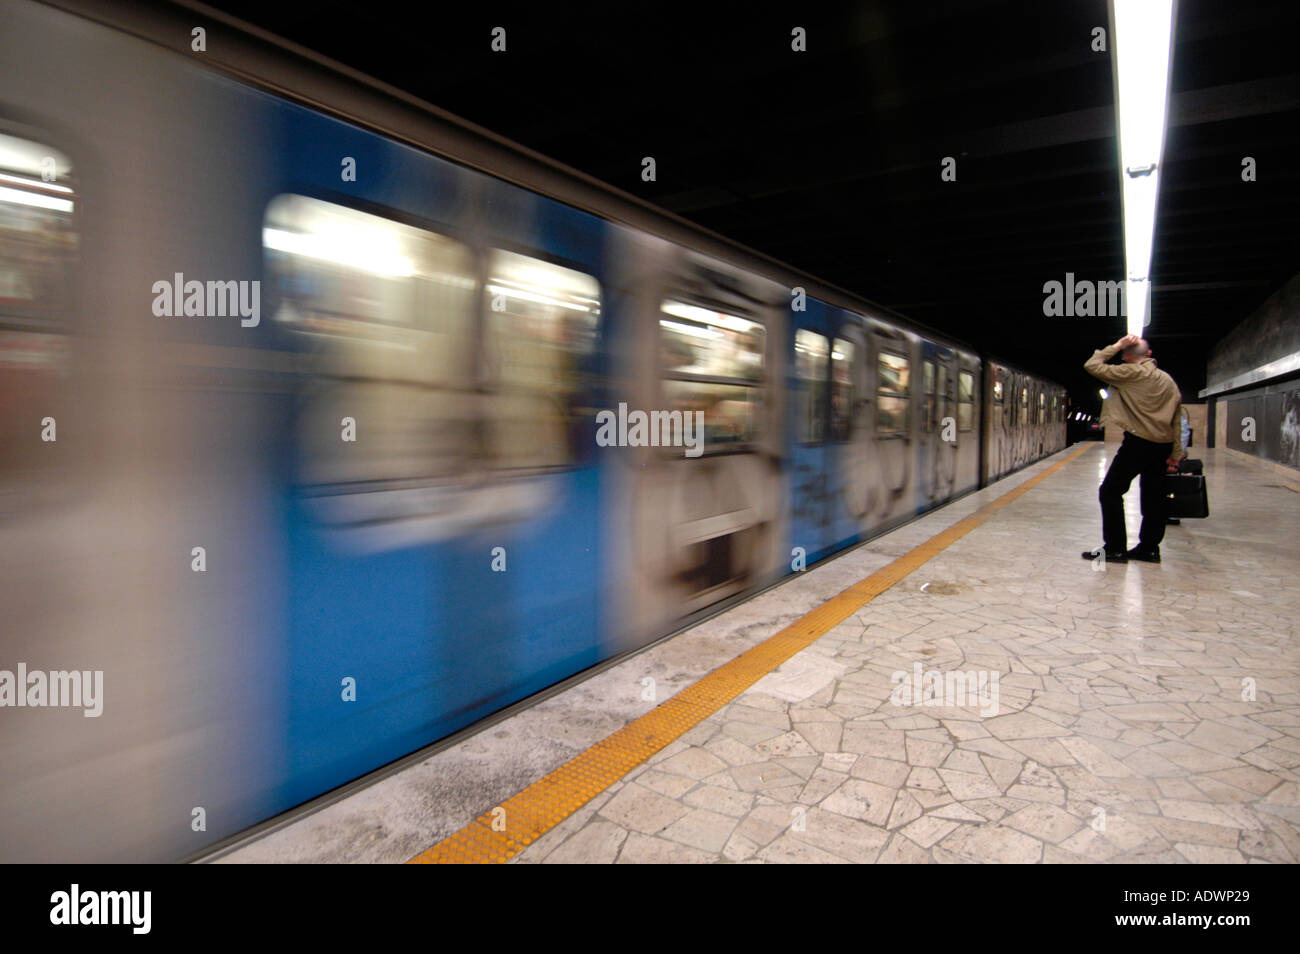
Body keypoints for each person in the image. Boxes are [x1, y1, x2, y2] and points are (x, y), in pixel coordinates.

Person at [1081, 334, 1183, 563]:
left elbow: (1092, 365)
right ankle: (1149, 549)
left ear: (1127, 356)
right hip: (1163, 445)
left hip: (1139, 443)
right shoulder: (1168, 380)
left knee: (1110, 491)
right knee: (1154, 497)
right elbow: (1177, 419)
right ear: (1149, 355)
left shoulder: (1130, 373)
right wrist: (1176, 453)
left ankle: (1115, 548)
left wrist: (1117, 345)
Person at [1166, 406, 1191, 525]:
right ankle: (1162, 511)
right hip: (1161, 453)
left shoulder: (1173, 410)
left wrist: (1180, 451)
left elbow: (1183, 430)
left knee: (1172, 483)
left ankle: (1173, 514)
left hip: (1171, 455)